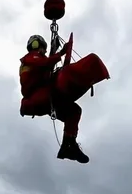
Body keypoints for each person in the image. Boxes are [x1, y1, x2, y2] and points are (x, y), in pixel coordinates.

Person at [18, 32, 110, 164]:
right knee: (61, 81)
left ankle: (69, 144)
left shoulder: (36, 63)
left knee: (74, 111)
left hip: (44, 98)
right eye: (43, 48)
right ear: (36, 45)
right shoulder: (32, 57)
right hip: (38, 97)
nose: (44, 52)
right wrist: (61, 53)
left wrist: (55, 51)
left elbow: (45, 68)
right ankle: (69, 144)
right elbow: (46, 63)